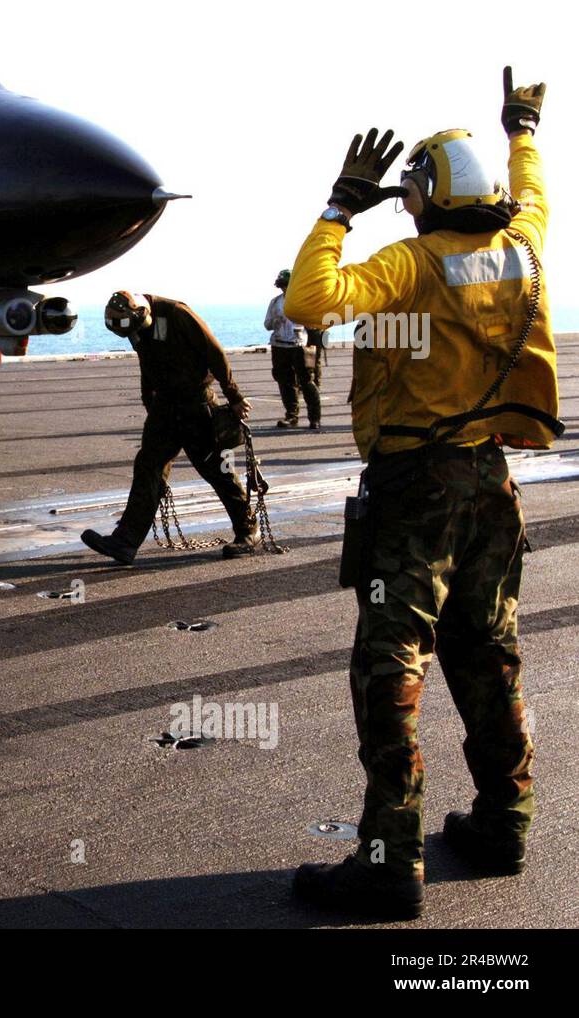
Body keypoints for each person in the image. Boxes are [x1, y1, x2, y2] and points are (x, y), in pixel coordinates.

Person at [283, 68, 561, 920]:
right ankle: (504, 825)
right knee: (489, 654)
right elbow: (532, 191)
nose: (403, 204)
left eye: (408, 193)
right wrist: (520, 126)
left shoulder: (409, 264)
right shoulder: (524, 247)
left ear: (429, 197)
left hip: (416, 492)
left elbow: (311, 301)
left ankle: (388, 860)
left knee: (389, 669)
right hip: (492, 485)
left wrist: (338, 207)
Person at [81, 292, 259, 565]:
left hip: (196, 403)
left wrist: (234, 396)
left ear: (144, 312)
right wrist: (149, 404)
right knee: (148, 468)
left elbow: (215, 352)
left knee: (215, 469)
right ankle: (125, 542)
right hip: (164, 406)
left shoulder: (177, 314)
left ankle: (249, 530)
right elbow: (146, 364)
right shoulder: (132, 325)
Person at [266, 269, 322, 429]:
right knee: (285, 382)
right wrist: (276, 321)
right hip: (279, 345)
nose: (285, 289)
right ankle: (291, 416)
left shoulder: (304, 300)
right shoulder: (275, 302)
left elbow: (315, 323)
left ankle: (314, 418)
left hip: (300, 346)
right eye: (283, 286)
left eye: (287, 285)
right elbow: (267, 324)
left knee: (307, 382)